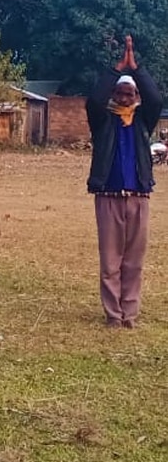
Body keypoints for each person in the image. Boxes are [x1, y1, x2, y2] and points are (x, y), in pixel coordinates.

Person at [86, 35, 163, 328]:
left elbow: (156, 100)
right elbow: (94, 101)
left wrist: (136, 68)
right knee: (110, 261)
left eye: (130, 93)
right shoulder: (103, 120)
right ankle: (113, 315)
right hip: (108, 196)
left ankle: (129, 313)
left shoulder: (143, 120)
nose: (125, 97)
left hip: (138, 198)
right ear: (114, 94)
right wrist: (117, 69)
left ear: (136, 95)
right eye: (120, 92)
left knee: (134, 261)